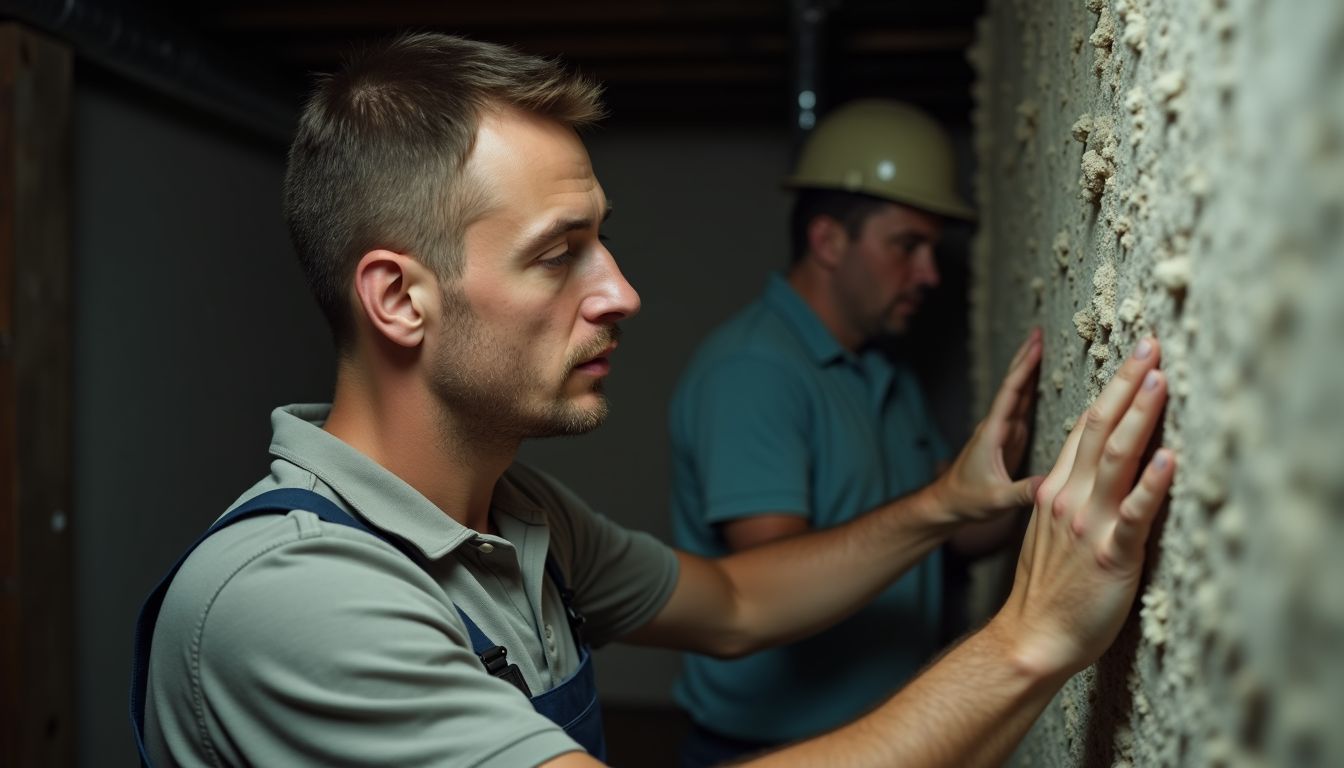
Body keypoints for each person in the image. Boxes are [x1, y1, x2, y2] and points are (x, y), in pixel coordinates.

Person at [130, 33, 1175, 768]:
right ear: (400, 297)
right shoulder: (291, 600)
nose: (622, 291)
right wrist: (1032, 637)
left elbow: (735, 604)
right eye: (559, 254)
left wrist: (947, 502)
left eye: (604, 238)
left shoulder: (521, 517)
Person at [668, 99, 1019, 764]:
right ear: (829, 240)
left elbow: (957, 535)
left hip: (890, 733)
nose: (930, 273)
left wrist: (1018, 469)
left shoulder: (882, 365)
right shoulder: (753, 372)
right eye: (907, 246)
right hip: (773, 749)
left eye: (933, 248)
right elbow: (770, 588)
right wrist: (935, 506)